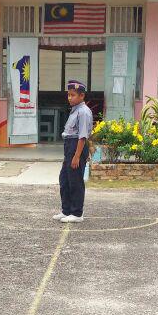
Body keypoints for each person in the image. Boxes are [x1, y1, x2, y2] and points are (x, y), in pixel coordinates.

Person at [55, 79, 92, 224]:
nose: (70, 97)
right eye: (69, 95)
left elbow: (82, 136)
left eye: (73, 95)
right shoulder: (75, 110)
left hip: (77, 147)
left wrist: (76, 156)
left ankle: (77, 213)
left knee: (75, 180)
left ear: (82, 96)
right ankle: (66, 210)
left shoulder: (83, 112)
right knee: (64, 179)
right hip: (70, 146)